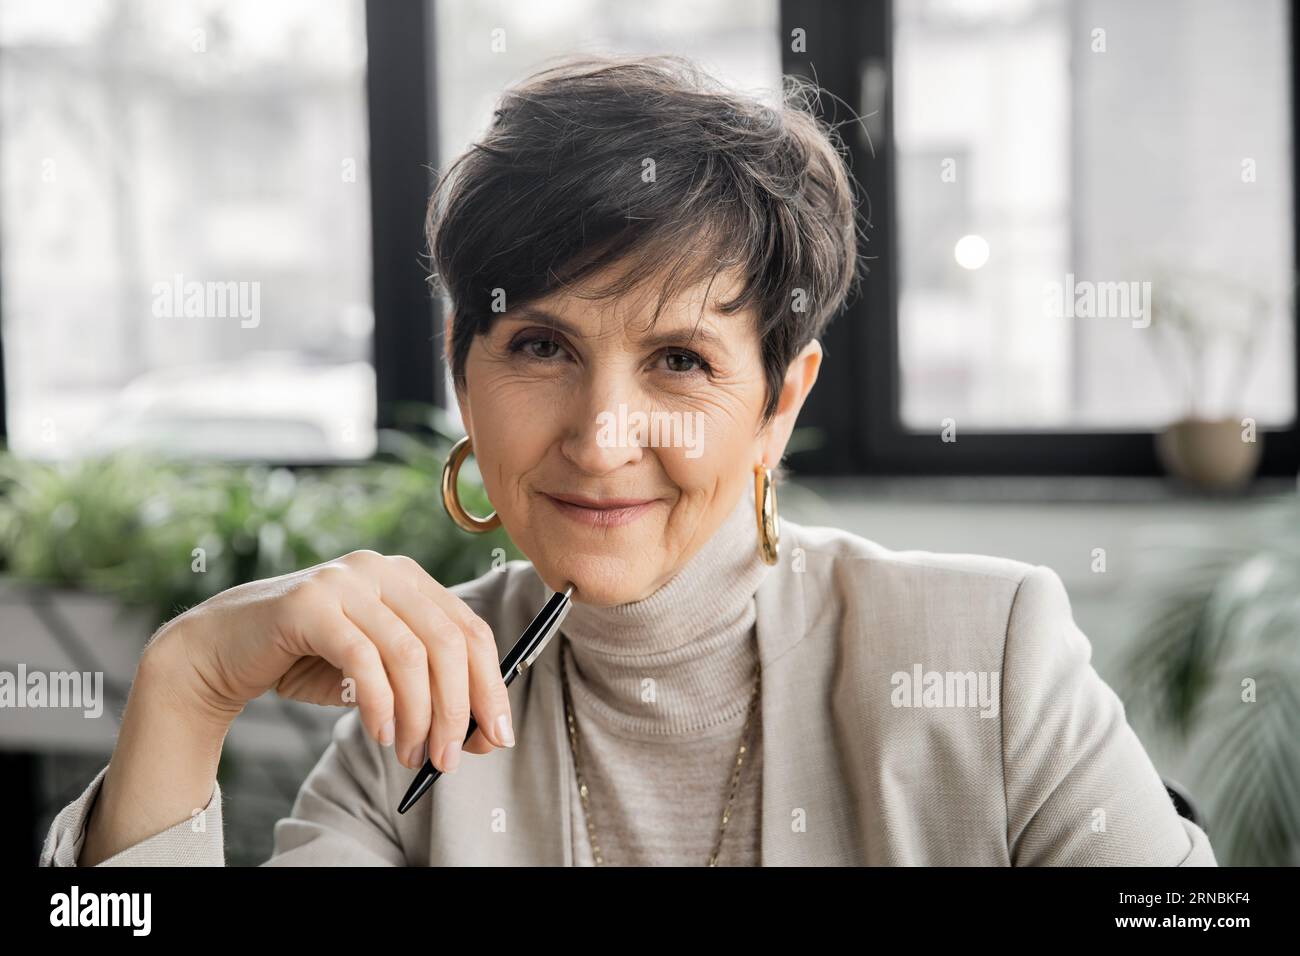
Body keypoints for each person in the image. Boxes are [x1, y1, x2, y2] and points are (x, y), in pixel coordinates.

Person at [41, 54, 1215, 867]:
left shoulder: (989, 650)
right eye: (541, 345)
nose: (602, 439)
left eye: (681, 362)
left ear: (777, 405)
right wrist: (189, 683)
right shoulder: (425, 715)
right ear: (464, 373)